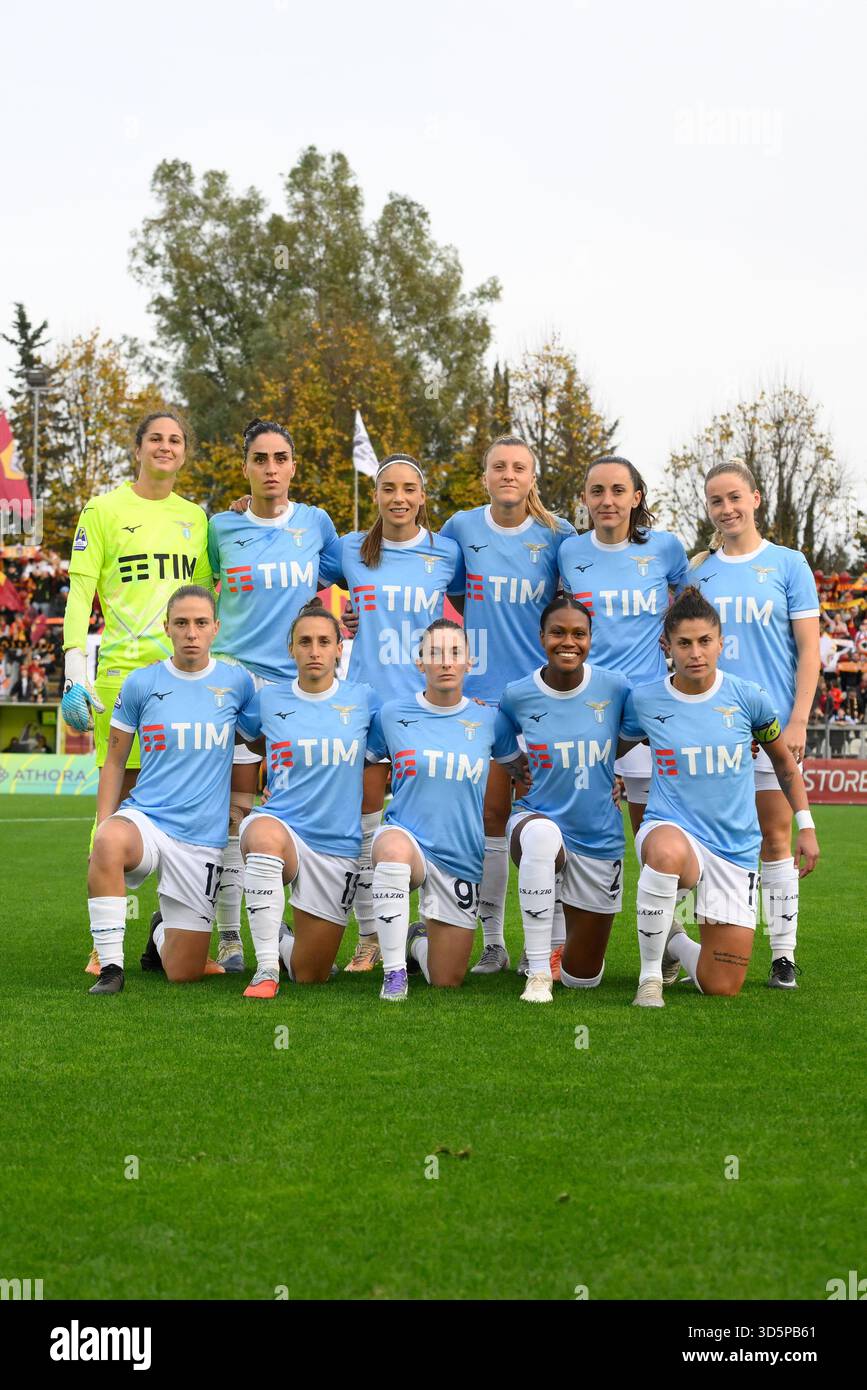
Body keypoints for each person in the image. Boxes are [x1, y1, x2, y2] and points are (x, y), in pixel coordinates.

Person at [61, 411, 212, 974]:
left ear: (183, 451)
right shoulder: (103, 510)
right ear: (139, 447)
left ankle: (174, 929)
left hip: (185, 679)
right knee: (115, 809)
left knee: (185, 804)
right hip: (122, 678)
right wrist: (75, 668)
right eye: (156, 438)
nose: (166, 447)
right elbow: (80, 595)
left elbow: (204, 594)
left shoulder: (195, 518)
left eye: (175, 440)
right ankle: (107, 941)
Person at [621, 587, 819, 1008]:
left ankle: (674, 942)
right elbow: (610, 748)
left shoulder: (748, 697)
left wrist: (807, 825)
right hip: (672, 830)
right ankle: (650, 979)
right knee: (666, 853)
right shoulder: (645, 699)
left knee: (721, 983)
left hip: (733, 849)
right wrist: (607, 778)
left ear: (721, 642)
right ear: (667, 646)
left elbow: (784, 765)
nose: (696, 652)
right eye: (685, 643)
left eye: (705, 641)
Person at [205, 418, 342, 972]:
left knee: (292, 808)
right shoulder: (220, 528)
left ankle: (284, 926)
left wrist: (348, 607)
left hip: (298, 686)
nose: (270, 469)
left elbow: (349, 575)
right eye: (259, 459)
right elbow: (197, 589)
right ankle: (232, 937)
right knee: (236, 810)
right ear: (245, 467)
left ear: (293, 466)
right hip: (237, 684)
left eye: (279, 458)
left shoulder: (316, 523)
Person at [438, 436, 575, 976]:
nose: (509, 475)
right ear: (485, 476)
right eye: (499, 466)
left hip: (544, 698)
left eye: (519, 467)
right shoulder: (461, 530)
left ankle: (554, 942)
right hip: (482, 700)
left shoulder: (558, 536)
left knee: (552, 819)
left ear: (532, 475)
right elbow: (432, 589)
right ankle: (492, 941)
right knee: (492, 820)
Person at [325, 454, 463, 973]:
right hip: (365, 702)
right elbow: (302, 581)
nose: (398, 498)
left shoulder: (446, 552)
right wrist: (343, 615)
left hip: (427, 708)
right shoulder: (350, 550)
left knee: (424, 821)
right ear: (377, 494)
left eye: (408, 489)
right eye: (388, 489)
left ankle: (428, 922)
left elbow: (474, 602)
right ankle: (368, 936)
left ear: (423, 496)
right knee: (364, 823)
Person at [86, 586, 257, 995]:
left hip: (201, 836)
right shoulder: (141, 682)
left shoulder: (238, 682)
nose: (191, 633)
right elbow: (114, 761)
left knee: (184, 970)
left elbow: (255, 746)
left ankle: (161, 932)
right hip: (149, 819)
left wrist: (243, 807)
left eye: (201, 623)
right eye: (181, 623)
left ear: (216, 628)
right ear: (167, 628)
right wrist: (102, 824)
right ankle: (111, 967)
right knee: (109, 841)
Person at [690, 461, 821, 988]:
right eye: (716, 501)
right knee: (706, 839)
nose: (727, 509)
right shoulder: (700, 572)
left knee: (775, 835)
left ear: (756, 499)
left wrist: (798, 719)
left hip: (772, 729)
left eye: (734, 498)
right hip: (713, 729)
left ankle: (783, 954)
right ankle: (697, 945)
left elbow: (809, 650)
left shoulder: (789, 564)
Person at [366, 618, 526, 1000]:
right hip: (407, 839)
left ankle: (417, 941)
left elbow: (525, 771)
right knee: (391, 852)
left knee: (446, 978)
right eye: (434, 653)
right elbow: (364, 765)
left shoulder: (490, 721)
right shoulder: (391, 715)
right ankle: (393, 974)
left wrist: (606, 781)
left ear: (469, 661)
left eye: (455, 652)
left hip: (460, 856)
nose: (445, 661)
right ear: (420, 662)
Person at [235, 599, 378, 998]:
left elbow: (389, 753)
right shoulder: (269, 700)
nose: (314, 651)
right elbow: (243, 740)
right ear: (291, 649)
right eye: (305, 642)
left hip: (336, 846)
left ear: (338, 648)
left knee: (312, 974)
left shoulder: (365, 700)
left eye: (323, 642)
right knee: (263, 837)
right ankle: (265, 968)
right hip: (281, 827)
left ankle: (279, 937)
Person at [497, 596, 632, 1002]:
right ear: (541, 637)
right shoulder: (517, 694)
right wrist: (516, 767)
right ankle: (537, 971)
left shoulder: (615, 687)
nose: (567, 641)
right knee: (540, 836)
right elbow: (500, 740)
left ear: (591, 639)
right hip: (535, 819)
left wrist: (612, 770)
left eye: (578, 633)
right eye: (557, 632)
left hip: (598, 837)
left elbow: (642, 731)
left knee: (583, 977)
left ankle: (673, 946)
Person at [557, 455, 688, 833]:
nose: (607, 500)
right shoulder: (570, 551)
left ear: (636, 497)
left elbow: (689, 594)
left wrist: (673, 627)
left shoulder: (665, 547)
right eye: (597, 491)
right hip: (585, 708)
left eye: (618, 490)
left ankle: (665, 893)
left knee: (653, 832)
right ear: (585, 498)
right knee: (584, 831)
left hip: (648, 710)